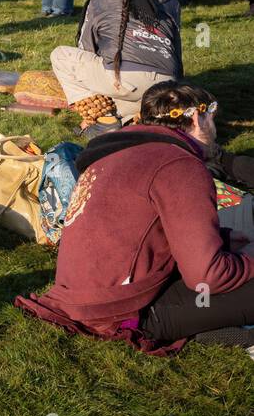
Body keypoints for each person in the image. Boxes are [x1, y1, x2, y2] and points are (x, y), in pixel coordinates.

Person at [16, 81, 254, 351]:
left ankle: (208, 324)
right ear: (198, 119)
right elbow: (208, 277)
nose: (215, 125)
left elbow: (144, 230)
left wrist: (220, 239)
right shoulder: (180, 165)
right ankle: (206, 327)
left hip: (81, 296)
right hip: (124, 311)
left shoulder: (113, 154)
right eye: (212, 116)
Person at [50, 0, 182, 132]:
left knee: (60, 55)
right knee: (127, 97)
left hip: (123, 79)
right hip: (166, 85)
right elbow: (176, 52)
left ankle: (101, 118)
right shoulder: (169, 1)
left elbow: (86, 48)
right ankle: (136, 117)